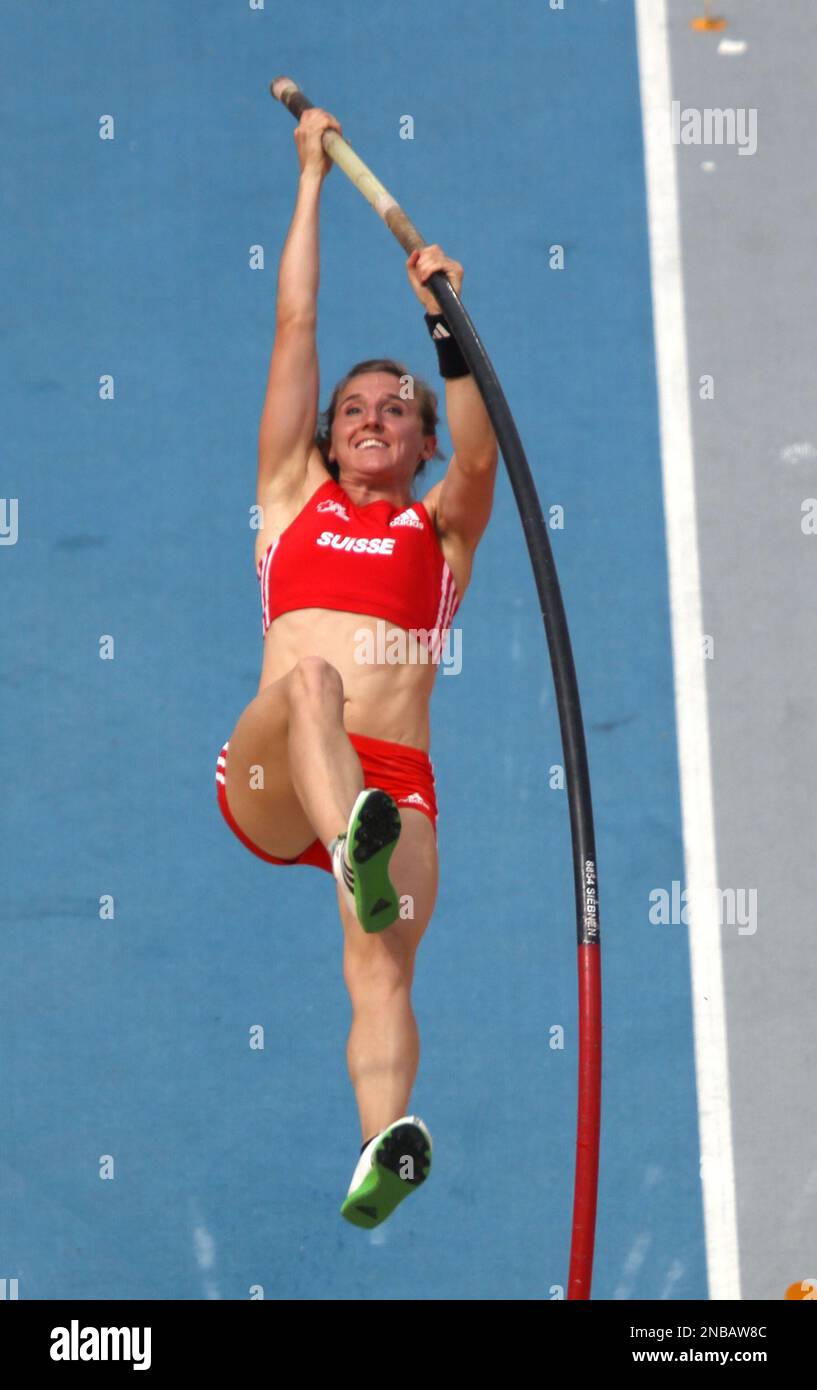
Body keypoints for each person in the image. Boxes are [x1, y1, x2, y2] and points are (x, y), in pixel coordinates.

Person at [215, 106, 499, 1227]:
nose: (372, 415)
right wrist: (308, 180)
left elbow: (482, 454)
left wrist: (448, 327)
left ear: (420, 445)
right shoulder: (290, 500)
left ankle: (381, 1143)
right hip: (274, 772)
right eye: (353, 409)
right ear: (328, 441)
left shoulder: (440, 536)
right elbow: (296, 321)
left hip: (392, 781)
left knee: (382, 966)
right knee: (314, 685)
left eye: (399, 409)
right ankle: (353, 849)